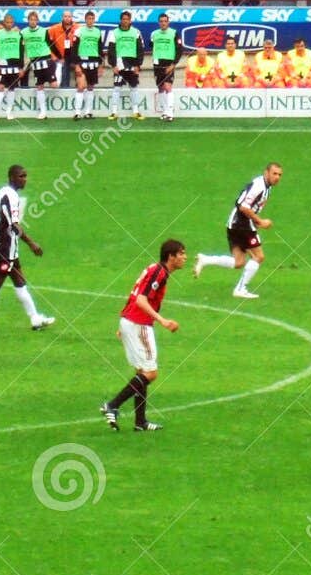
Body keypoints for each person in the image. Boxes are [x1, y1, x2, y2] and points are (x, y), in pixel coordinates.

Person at [102, 239, 187, 433]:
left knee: (142, 371)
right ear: (171, 256)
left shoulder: (154, 269)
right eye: (181, 253)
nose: (184, 257)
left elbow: (134, 294)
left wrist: (124, 320)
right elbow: (141, 299)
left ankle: (140, 422)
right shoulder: (160, 273)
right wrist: (163, 320)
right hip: (138, 324)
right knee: (150, 373)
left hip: (131, 322)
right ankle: (112, 405)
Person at [0, 165, 54, 336]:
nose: (25, 179)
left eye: (25, 176)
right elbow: (14, 226)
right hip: (6, 248)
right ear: (12, 177)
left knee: (19, 281)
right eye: (21, 176)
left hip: (5, 247)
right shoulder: (11, 197)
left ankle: (35, 318)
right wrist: (32, 244)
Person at [192, 163, 283, 300]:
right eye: (274, 173)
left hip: (235, 224)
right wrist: (260, 221)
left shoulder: (266, 187)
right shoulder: (259, 186)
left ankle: (205, 259)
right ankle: (240, 289)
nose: (277, 177)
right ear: (266, 173)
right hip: (242, 224)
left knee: (239, 262)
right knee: (258, 256)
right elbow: (243, 206)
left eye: (279, 175)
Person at [20, 9, 58, 121]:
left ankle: (57, 71)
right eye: (31, 20)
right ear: (28, 21)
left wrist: (58, 56)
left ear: (37, 21)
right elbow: (20, 46)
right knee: (39, 86)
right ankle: (43, 111)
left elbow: (50, 44)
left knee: (54, 85)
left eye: (34, 20)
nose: (32, 22)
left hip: (46, 60)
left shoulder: (43, 31)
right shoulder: (23, 32)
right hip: (35, 63)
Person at [109, 9, 146, 122]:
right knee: (117, 87)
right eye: (123, 19)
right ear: (121, 20)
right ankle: (114, 112)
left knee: (134, 87)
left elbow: (140, 49)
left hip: (133, 62)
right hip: (119, 63)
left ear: (130, 21)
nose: (125, 21)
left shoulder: (136, 32)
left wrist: (138, 65)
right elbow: (111, 50)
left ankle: (135, 111)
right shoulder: (114, 32)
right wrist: (113, 65)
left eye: (127, 19)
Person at [69, 9, 104, 118]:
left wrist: (101, 65)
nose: (91, 20)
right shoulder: (79, 31)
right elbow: (74, 49)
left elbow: (100, 49)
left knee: (90, 87)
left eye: (92, 18)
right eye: (89, 18)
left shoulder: (98, 32)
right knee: (81, 86)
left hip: (94, 63)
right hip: (82, 62)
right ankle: (77, 112)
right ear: (85, 20)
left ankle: (88, 112)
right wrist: (77, 65)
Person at [150, 11, 181, 121]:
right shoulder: (154, 34)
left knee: (168, 87)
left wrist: (173, 64)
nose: (163, 23)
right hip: (157, 63)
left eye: (165, 21)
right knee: (160, 87)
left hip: (169, 63)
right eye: (161, 21)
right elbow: (151, 46)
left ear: (168, 22)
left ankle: (170, 112)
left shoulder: (174, 33)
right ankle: (164, 111)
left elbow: (179, 50)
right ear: (159, 23)